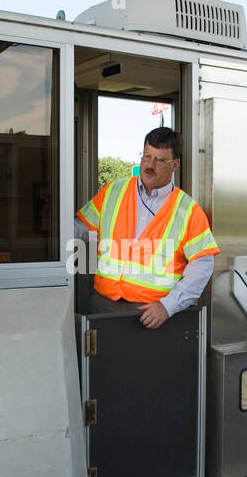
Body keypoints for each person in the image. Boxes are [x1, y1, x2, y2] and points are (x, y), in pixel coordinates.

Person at [75, 127, 218, 329]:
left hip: (151, 314)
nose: (150, 165)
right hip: (103, 305)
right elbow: (79, 229)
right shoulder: (113, 191)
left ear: (175, 164)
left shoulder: (188, 210)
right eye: (147, 156)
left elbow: (202, 267)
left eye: (160, 160)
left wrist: (167, 306)